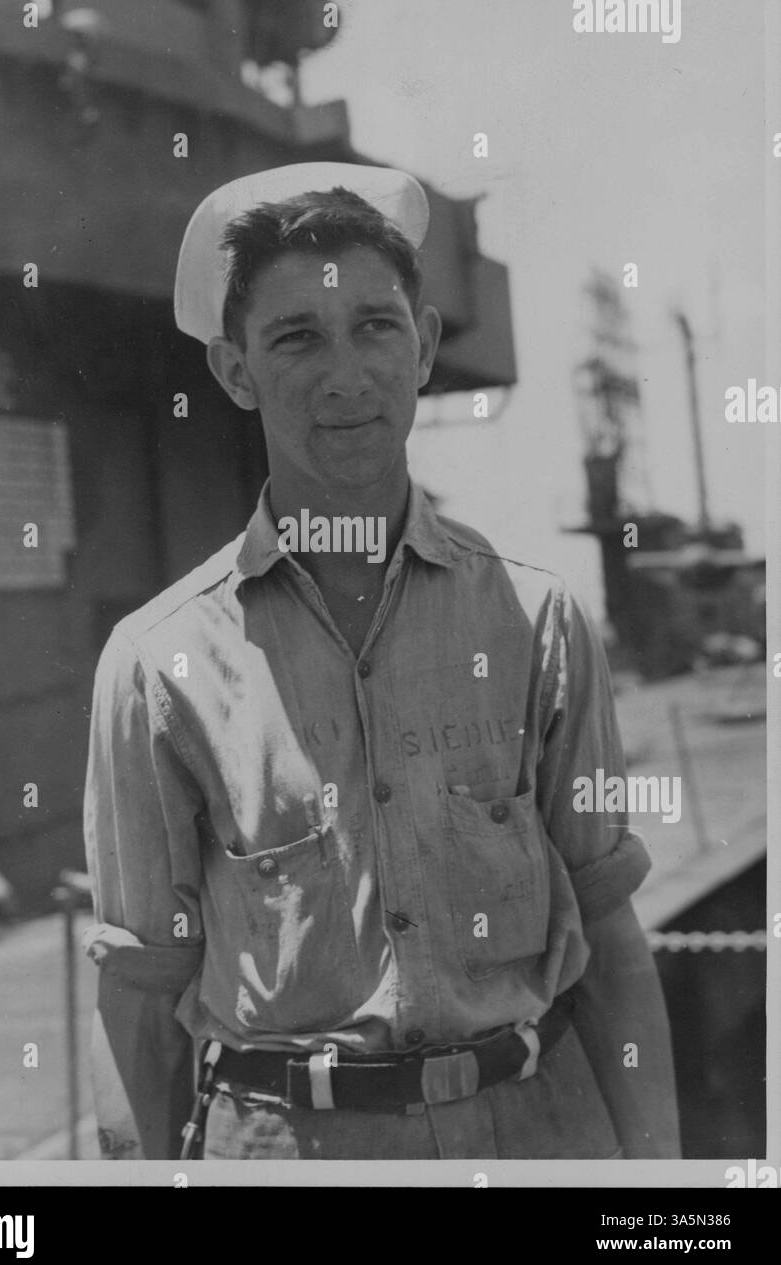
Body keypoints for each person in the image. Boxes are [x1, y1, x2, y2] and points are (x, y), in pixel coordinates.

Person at [83, 161, 680, 1162]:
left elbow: (612, 948)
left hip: (537, 1130)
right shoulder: (155, 664)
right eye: (295, 338)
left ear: (426, 346)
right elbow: (136, 1007)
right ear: (236, 372)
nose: (345, 374)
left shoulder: (538, 620)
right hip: (283, 1148)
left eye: (374, 326)